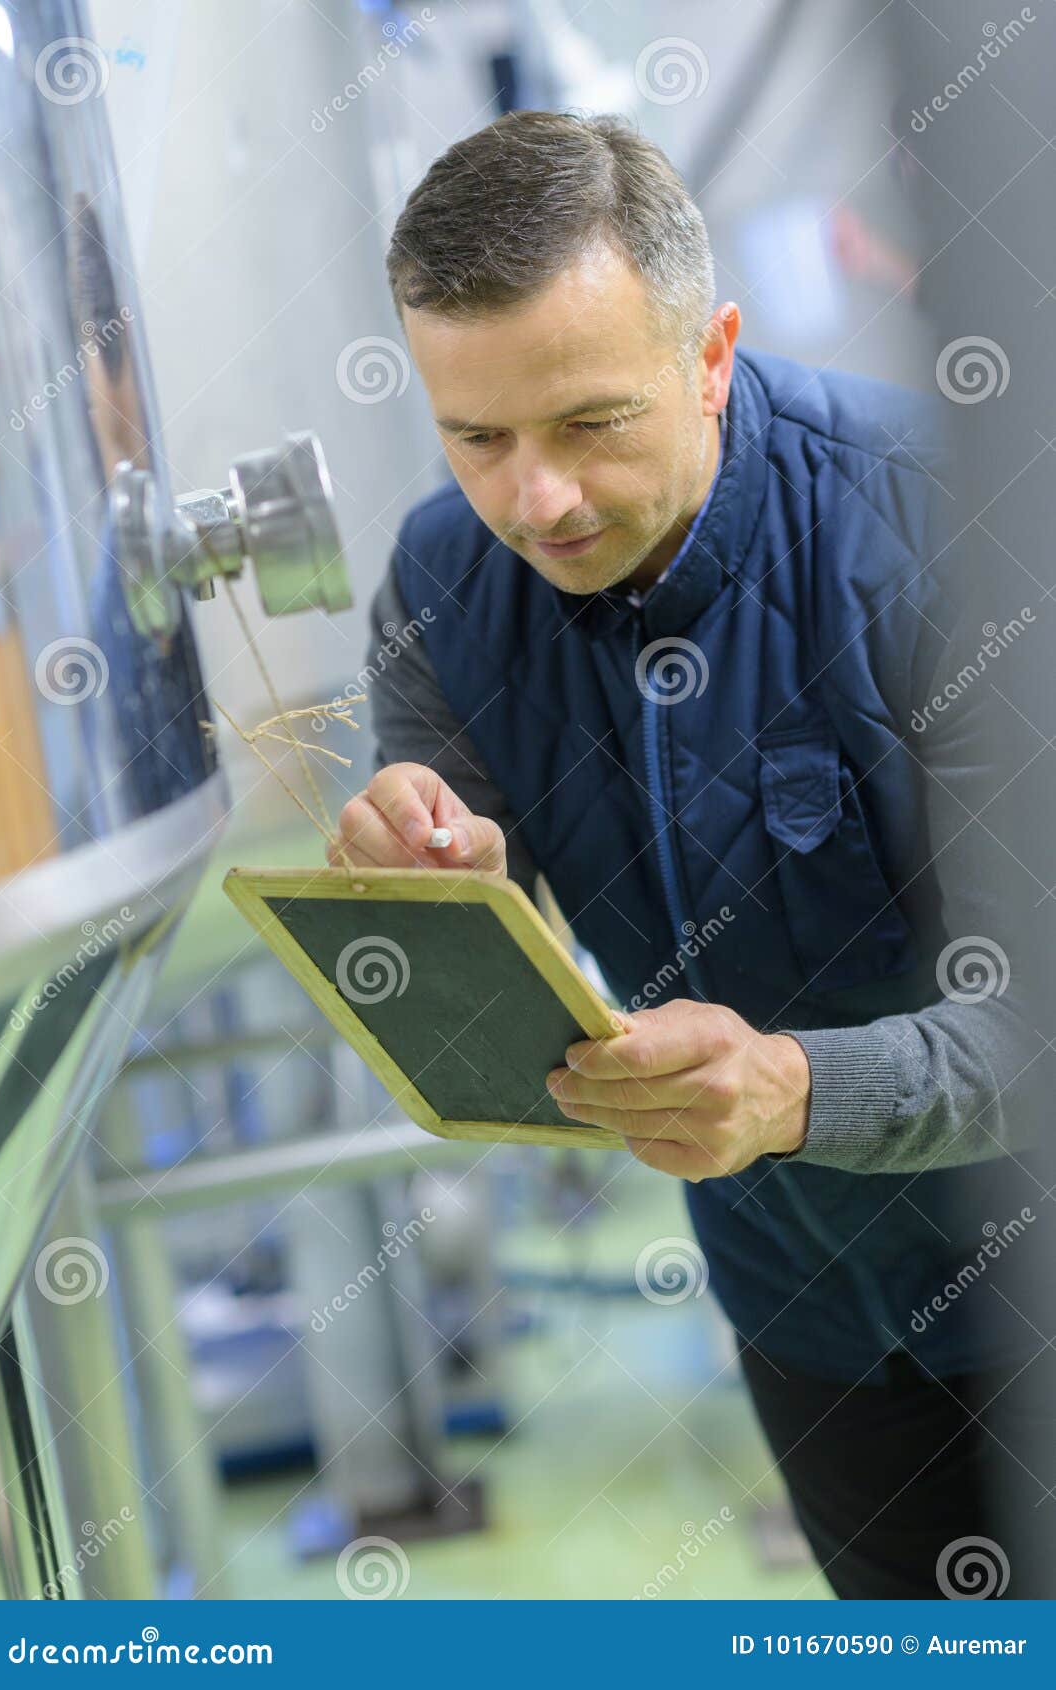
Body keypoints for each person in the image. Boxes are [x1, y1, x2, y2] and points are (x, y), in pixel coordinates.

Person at [329, 110, 1053, 1598]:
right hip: (810, 1314)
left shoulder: (950, 530)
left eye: (591, 423)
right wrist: (421, 881)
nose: (537, 500)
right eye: (477, 436)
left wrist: (796, 1086)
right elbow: (467, 953)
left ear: (712, 353)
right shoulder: (446, 583)